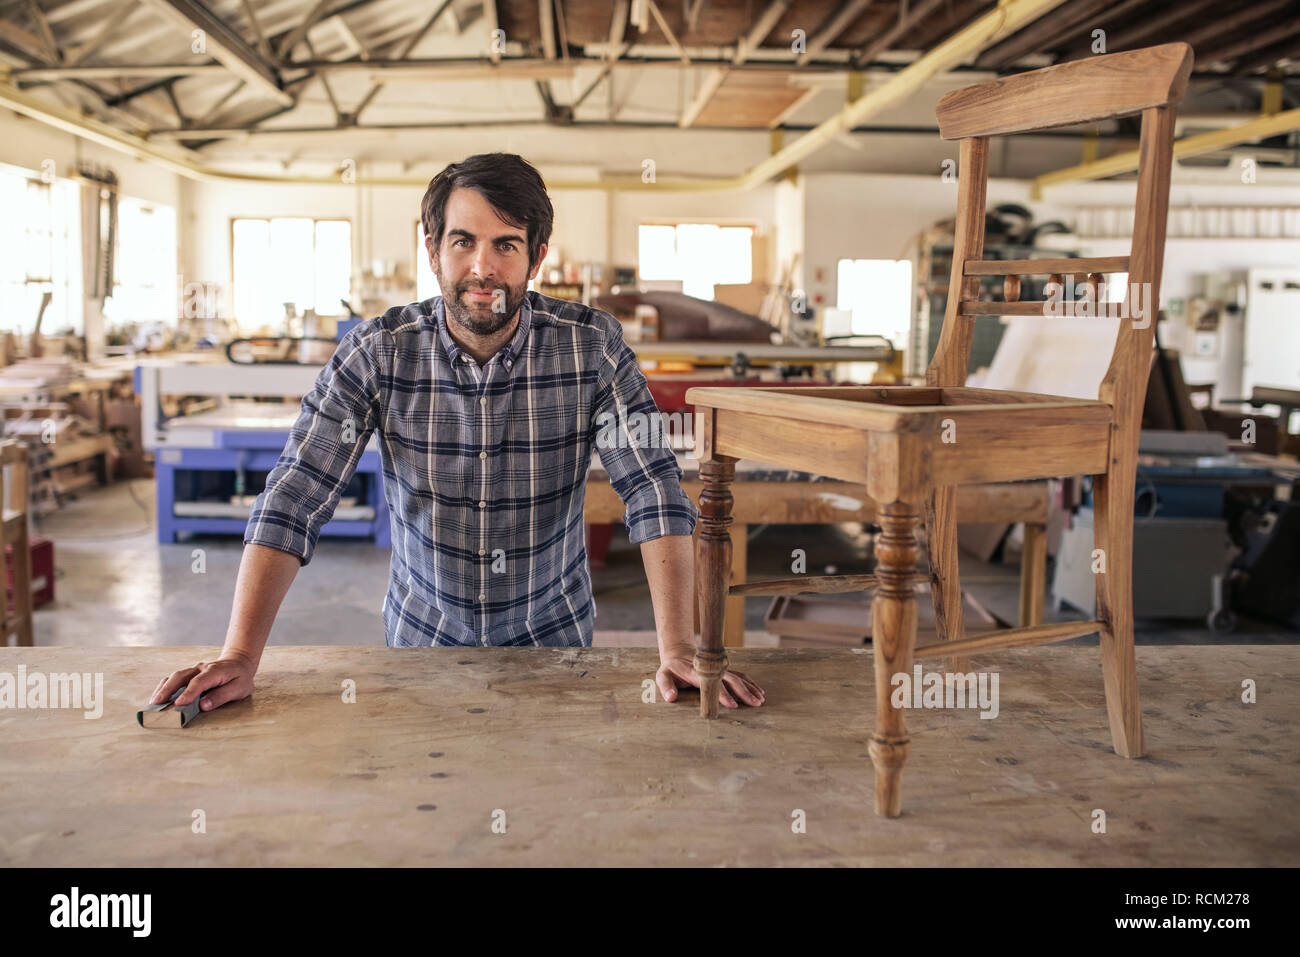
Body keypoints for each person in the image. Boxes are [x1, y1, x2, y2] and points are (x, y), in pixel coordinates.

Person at [150, 152, 764, 716]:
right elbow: (296, 494)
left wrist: (680, 645)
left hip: (554, 645)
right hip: (419, 646)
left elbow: (653, 488)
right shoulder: (378, 352)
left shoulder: (591, 348)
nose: (483, 267)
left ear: (537, 256)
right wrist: (240, 654)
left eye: (506, 244)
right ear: (432, 249)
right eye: (464, 240)